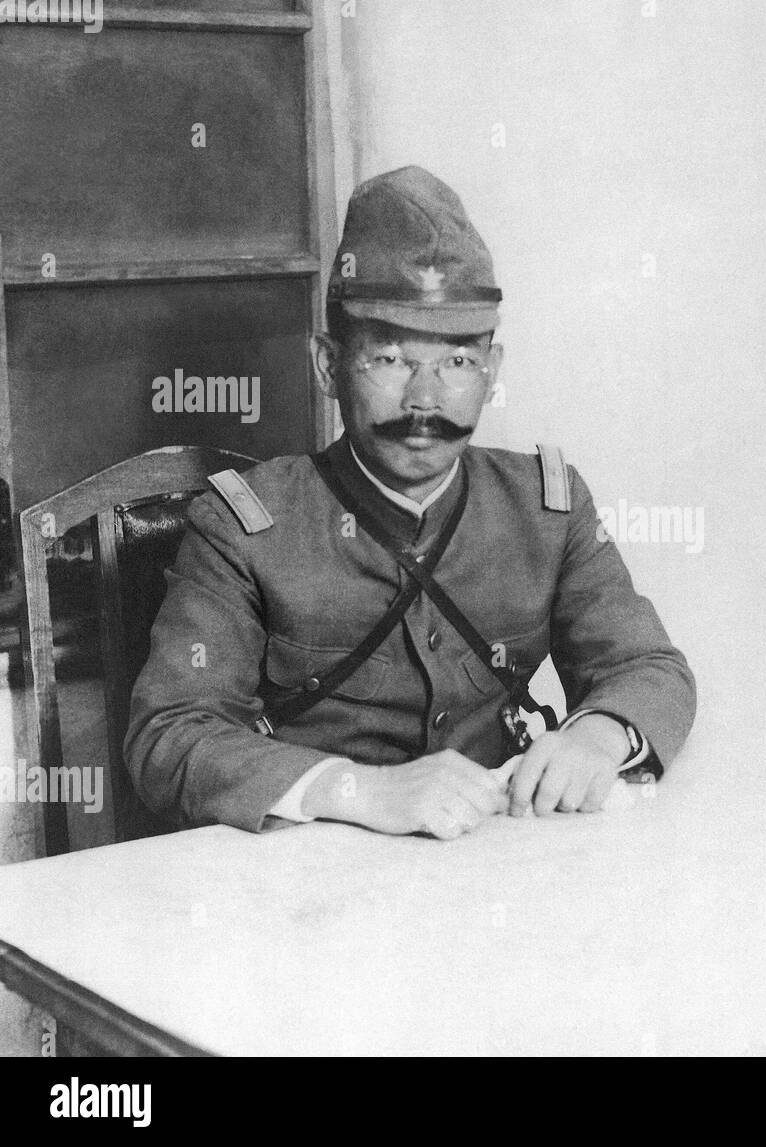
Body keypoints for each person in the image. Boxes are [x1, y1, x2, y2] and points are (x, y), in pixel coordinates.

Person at [125, 166, 696, 839]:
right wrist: (359, 790)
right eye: (391, 359)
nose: (426, 400)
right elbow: (167, 735)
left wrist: (599, 735)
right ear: (328, 365)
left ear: (492, 371)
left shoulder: (547, 508)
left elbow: (649, 666)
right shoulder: (245, 525)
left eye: (457, 362)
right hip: (315, 883)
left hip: (501, 865)